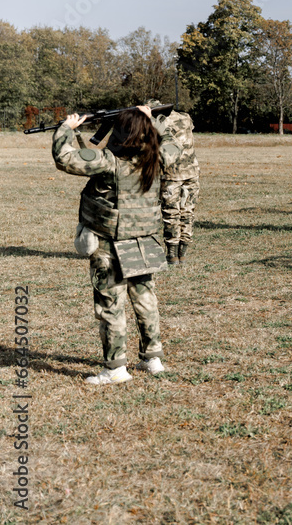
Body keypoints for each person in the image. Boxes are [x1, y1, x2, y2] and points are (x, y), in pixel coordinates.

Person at [53, 106, 180, 385]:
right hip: (144, 240)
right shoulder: (157, 158)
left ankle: (115, 369)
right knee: (145, 299)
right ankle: (152, 358)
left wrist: (67, 128)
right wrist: (153, 120)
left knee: (110, 304)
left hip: (109, 242)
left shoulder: (108, 162)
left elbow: (65, 157)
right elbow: (174, 144)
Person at [150, 100, 200, 266]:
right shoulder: (185, 117)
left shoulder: (156, 121)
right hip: (192, 171)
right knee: (188, 212)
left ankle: (172, 254)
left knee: (171, 213)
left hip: (171, 173)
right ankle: (183, 253)